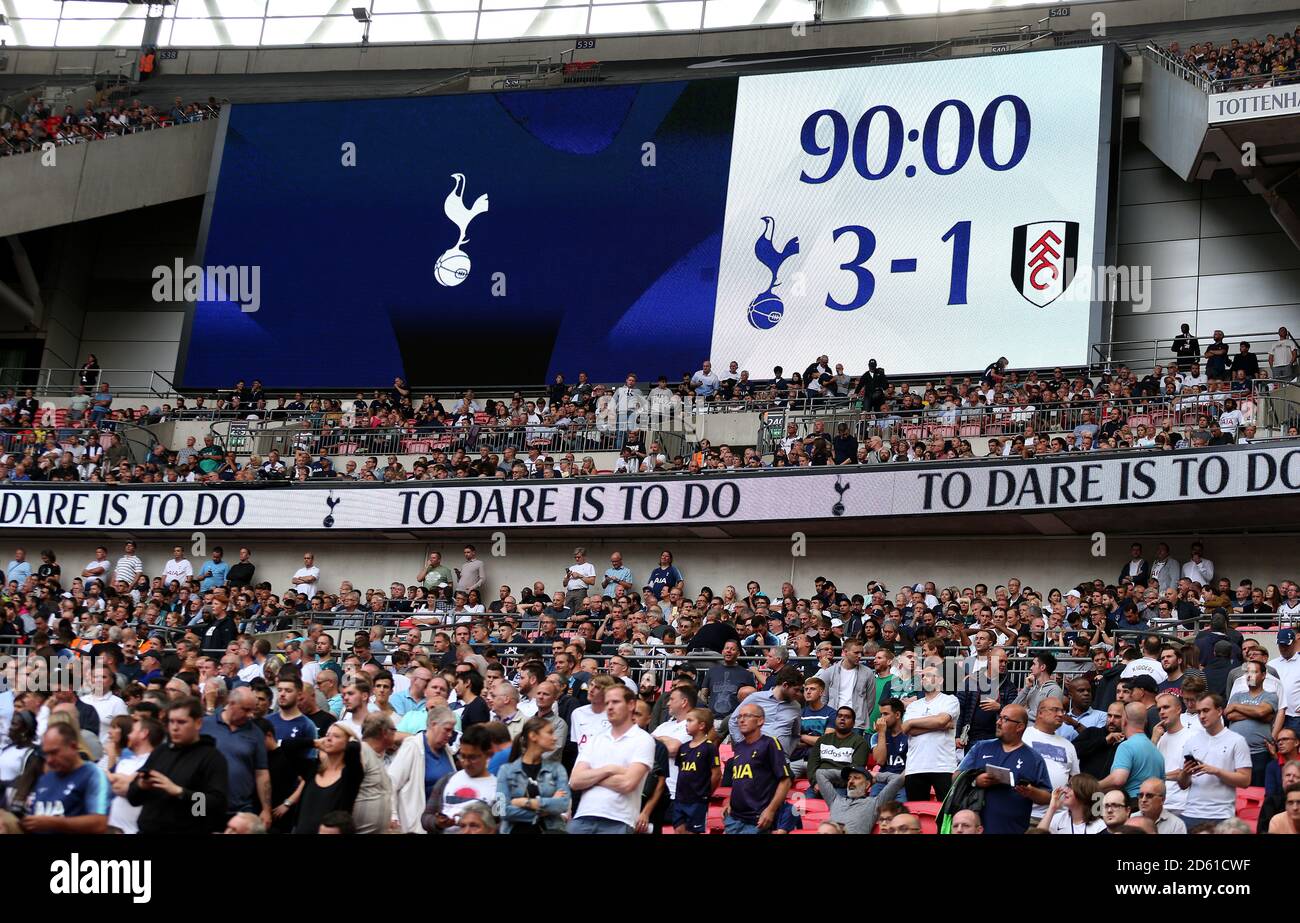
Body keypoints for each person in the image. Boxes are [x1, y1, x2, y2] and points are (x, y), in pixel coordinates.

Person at [127, 697, 228, 834]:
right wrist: (141, 786)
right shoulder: (161, 751)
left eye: (181, 722)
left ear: (198, 723)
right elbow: (133, 798)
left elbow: (214, 806)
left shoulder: (212, 758)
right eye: (171, 722)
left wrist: (179, 792)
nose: (174, 728)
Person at [569, 684, 654, 834]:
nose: (609, 707)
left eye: (615, 702)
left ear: (631, 705)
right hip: (583, 816)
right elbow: (575, 781)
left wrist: (592, 778)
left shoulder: (643, 740)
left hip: (619, 820)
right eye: (607, 703)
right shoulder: (596, 739)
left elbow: (627, 783)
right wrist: (610, 769)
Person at [956, 704, 1052, 834]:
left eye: (1005, 719)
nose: (998, 722)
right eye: (999, 717)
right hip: (975, 828)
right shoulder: (981, 747)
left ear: (1020, 727)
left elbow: (1047, 797)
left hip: (1014, 828)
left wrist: (1030, 792)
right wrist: (976, 781)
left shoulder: (1034, 758)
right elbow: (955, 777)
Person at [1176, 694, 1252, 830]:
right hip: (1191, 813)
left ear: (1219, 711)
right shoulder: (1191, 741)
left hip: (1221, 814)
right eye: (1199, 712)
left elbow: (1245, 780)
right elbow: (1182, 784)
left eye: (1206, 710)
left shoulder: (1237, 740)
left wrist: (1216, 771)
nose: (1202, 716)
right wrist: (1186, 773)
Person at [18, 724, 110, 833]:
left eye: (54, 752)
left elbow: (100, 824)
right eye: (47, 754)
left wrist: (55, 823)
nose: (49, 760)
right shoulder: (46, 778)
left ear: (73, 746)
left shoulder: (92, 774)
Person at [202, 686, 271, 829]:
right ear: (231, 704)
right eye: (246, 710)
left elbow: (261, 772)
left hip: (240, 807)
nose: (251, 715)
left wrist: (266, 809)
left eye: (252, 710)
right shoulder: (204, 725)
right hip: (202, 803)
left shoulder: (256, 732)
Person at [721, 702, 792, 834]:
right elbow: (741, 780)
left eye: (747, 716)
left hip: (757, 820)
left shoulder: (770, 743)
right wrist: (730, 803)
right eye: (739, 717)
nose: (741, 720)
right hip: (734, 819)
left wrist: (770, 810)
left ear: (760, 721)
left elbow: (785, 781)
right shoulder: (739, 747)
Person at [494, 716, 571, 834]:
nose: (555, 738)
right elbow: (501, 809)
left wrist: (526, 802)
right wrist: (546, 808)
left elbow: (563, 804)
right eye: (550, 733)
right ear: (533, 736)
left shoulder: (557, 769)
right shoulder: (506, 771)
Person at [388, 705, 457, 834]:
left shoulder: (447, 750)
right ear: (433, 724)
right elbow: (391, 782)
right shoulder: (412, 747)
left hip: (441, 826)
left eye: (452, 731)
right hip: (416, 825)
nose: (450, 735)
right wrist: (393, 815)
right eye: (447, 730)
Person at [901, 664, 961, 801]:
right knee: (916, 815)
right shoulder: (913, 706)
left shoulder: (950, 700)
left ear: (940, 680)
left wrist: (913, 723)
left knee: (945, 814)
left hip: (943, 766)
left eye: (929, 675)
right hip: (915, 767)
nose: (924, 679)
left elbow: (941, 720)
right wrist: (939, 725)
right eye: (922, 676)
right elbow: (906, 729)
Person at [289, 723, 363, 834]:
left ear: (348, 743)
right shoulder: (314, 769)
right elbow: (287, 747)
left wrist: (353, 741)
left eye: (336, 736)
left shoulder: (351, 774)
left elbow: (354, 748)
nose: (328, 739)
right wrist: (314, 743)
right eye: (327, 735)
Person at [423, 723, 497, 833]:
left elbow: (502, 823)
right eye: (463, 756)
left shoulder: (499, 788)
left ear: (488, 754)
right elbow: (426, 817)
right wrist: (437, 822)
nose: (466, 763)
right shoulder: (447, 780)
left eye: (472, 757)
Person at [1021, 697, 1080, 822]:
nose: (1060, 714)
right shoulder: (1023, 736)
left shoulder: (1068, 745)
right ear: (1040, 713)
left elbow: (1074, 779)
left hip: (1058, 817)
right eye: (1055, 710)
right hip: (1026, 813)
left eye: (1062, 711)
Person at [1099, 703, 1166, 799]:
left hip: (1132, 804)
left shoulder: (1126, 746)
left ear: (1124, 721)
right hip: (1152, 807)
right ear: (1145, 722)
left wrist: (1095, 786)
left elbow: (1118, 779)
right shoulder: (1156, 751)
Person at [669, 707, 720, 834]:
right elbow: (681, 772)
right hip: (680, 798)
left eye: (690, 721)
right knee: (678, 830)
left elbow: (716, 774)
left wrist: (706, 793)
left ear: (702, 725)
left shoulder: (709, 748)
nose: (686, 724)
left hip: (697, 800)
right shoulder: (683, 748)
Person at [814, 639, 878, 732]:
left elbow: (870, 701)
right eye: (856, 653)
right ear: (845, 652)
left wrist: (861, 715)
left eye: (861, 653)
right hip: (833, 720)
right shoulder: (829, 672)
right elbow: (823, 698)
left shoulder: (868, 673)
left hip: (857, 723)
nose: (859, 656)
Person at [822, 763, 904, 834]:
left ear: (867, 784)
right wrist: (842, 774)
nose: (850, 781)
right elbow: (821, 774)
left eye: (856, 778)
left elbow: (900, 778)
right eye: (849, 778)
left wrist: (876, 775)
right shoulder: (835, 799)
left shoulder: (875, 803)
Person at [1037, 773, 1105, 834]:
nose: (1065, 790)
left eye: (1071, 788)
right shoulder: (1058, 819)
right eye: (1067, 786)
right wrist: (1052, 808)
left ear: (1084, 794)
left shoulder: (1099, 826)